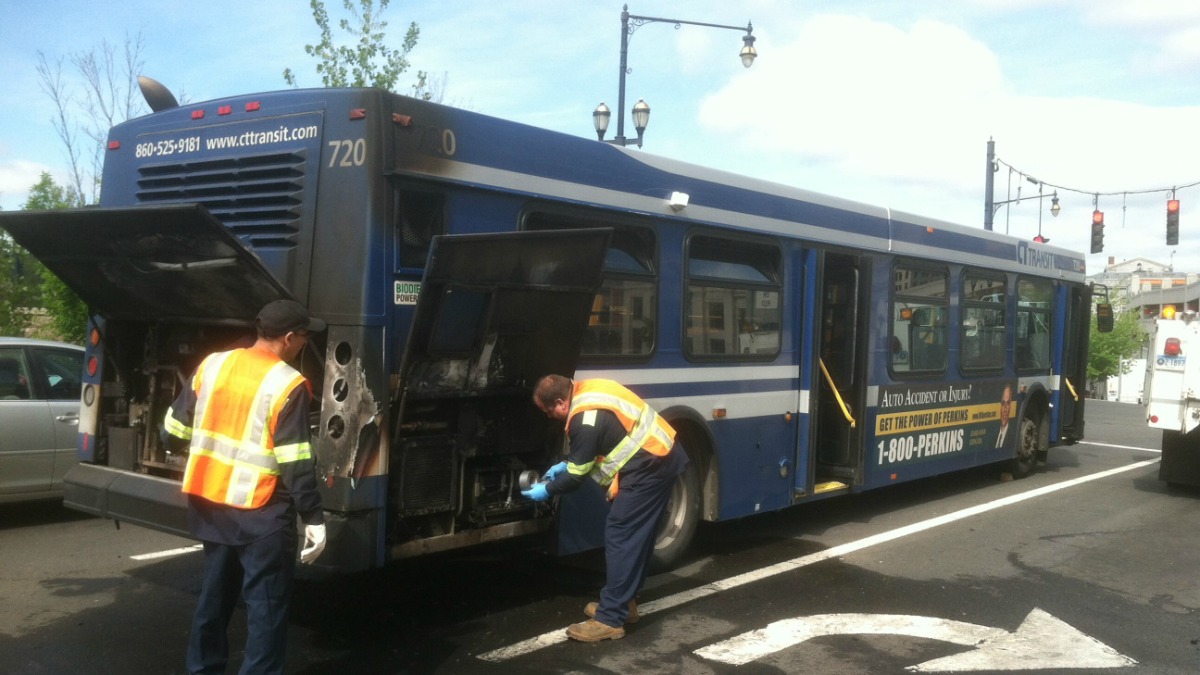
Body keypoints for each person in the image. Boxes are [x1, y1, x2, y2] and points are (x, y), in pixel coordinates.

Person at [163, 299, 327, 675]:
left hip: (210, 503)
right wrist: (313, 516)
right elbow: (296, 460)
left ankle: (202, 669)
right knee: (266, 608)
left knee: (215, 597)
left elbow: (172, 431)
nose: (305, 343)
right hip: (261, 511)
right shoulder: (289, 384)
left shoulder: (214, 364)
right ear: (288, 338)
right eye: (304, 337)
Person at [523, 374, 688, 642]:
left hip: (650, 467)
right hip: (660, 457)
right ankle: (625, 603)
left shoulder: (583, 420)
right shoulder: (589, 389)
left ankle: (610, 618)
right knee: (637, 536)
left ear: (561, 402)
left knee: (621, 534)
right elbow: (599, 443)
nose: (549, 416)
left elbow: (577, 475)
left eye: (548, 411)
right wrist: (567, 464)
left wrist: (548, 490)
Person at [995, 384, 1014, 448]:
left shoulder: (1013, 439)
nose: (1005, 410)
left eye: (1008, 403)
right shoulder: (992, 440)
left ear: (1011, 407)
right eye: (1003, 403)